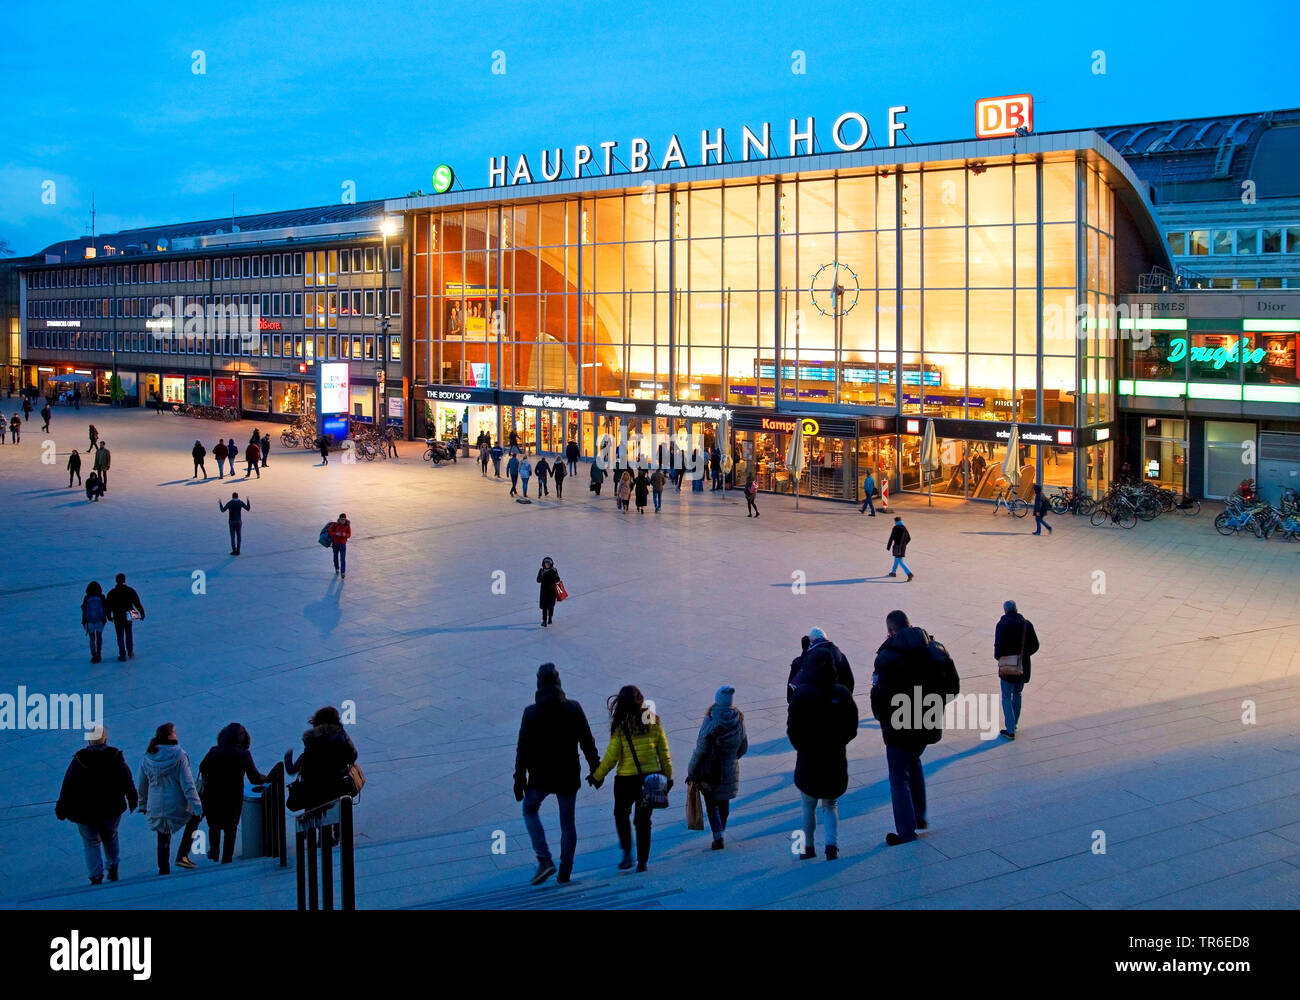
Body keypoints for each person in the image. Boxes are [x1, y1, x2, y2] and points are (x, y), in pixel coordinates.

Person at [513, 663, 601, 885]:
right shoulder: (573, 708)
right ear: (559, 683)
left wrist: (519, 779)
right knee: (567, 822)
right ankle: (565, 871)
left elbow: (522, 749)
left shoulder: (530, 713)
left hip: (540, 776)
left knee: (530, 809)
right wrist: (595, 769)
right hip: (567, 774)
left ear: (539, 684)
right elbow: (587, 741)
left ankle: (544, 860)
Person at [589, 686, 672, 873]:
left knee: (621, 815)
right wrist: (668, 776)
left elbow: (611, 756)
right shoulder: (653, 721)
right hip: (650, 779)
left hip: (625, 780)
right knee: (644, 822)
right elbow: (664, 752)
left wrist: (597, 776)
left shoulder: (620, 726)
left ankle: (627, 852)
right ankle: (643, 862)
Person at [870, 610, 936, 845]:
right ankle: (920, 817)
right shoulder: (932, 646)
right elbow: (950, 683)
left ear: (890, 631)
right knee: (914, 761)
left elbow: (878, 695)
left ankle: (906, 832)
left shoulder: (886, 657)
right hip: (925, 720)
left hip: (898, 725)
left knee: (898, 779)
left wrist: (881, 716)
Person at [787, 647, 858, 861]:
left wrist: (803, 747)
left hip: (809, 759)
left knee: (808, 805)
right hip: (834, 758)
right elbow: (851, 728)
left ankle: (807, 847)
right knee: (830, 803)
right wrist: (838, 742)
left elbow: (793, 731)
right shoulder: (842, 693)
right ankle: (831, 846)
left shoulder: (802, 694)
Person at [55, 725, 138, 884]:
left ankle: (95, 875)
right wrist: (132, 799)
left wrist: (61, 809)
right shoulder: (115, 756)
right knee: (111, 837)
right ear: (105, 739)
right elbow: (127, 780)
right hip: (111, 808)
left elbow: (68, 786)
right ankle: (113, 866)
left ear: (89, 741)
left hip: (84, 812)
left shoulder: (79, 760)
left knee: (91, 843)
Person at [197, 723, 272, 864]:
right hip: (233, 796)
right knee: (230, 828)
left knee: (214, 825)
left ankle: (214, 853)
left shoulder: (214, 751)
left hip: (212, 795)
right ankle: (227, 858)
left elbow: (202, 767)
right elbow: (254, 778)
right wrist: (267, 778)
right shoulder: (243, 754)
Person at [686, 686, 749, 851]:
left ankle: (718, 836)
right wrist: (731, 758)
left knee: (712, 804)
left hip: (709, 772)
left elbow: (700, 749)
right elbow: (743, 747)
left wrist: (691, 771)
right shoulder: (738, 719)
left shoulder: (711, 720)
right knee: (724, 803)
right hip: (729, 769)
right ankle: (722, 830)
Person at [137, 723, 203, 875]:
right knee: (194, 818)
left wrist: (142, 804)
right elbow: (188, 784)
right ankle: (183, 855)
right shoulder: (179, 755)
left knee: (162, 836)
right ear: (169, 736)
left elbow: (142, 784)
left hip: (155, 806)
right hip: (176, 804)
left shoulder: (147, 757)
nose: (177, 733)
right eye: (174, 731)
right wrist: (197, 805)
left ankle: (163, 870)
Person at [283, 706, 358, 812]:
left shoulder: (312, 742)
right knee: (337, 816)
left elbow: (295, 769)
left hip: (314, 792)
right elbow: (353, 755)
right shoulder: (342, 736)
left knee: (312, 816)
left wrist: (287, 757)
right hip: (337, 787)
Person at [994, 600, 1040, 740]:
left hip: (1008, 668)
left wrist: (1001, 658)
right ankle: (1014, 724)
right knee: (1018, 694)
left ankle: (1010, 729)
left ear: (1005, 611)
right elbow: (1035, 645)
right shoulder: (1027, 624)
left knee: (1006, 697)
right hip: (1022, 666)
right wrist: (1023, 655)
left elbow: (998, 646)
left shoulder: (1002, 625)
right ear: (1016, 609)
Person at [793, 626, 855, 692]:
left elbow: (798, 684)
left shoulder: (810, 658)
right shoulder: (841, 655)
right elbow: (850, 681)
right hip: (838, 697)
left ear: (812, 641)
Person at [105, 573, 145, 661]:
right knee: (129, 633)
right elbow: (137, 603)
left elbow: (108, 606)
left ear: (116, 581)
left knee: (120, 635)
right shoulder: (130, 590)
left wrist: (109, 616)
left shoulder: (112, 592)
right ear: (124, 580)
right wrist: (142, 613)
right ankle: (130, 652)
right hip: (130, 612)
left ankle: (122, 654)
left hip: (117, 614)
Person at [81, 580, 108, 663]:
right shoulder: (102, 597)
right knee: (99, 637)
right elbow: (106, 608)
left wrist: (83, 621)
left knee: (92, 638)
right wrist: (106, 618)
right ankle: (99, 653)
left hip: (90, 620)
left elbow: (84, 609)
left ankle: (94, 654)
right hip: (100, 620)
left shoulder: (87, 597)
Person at [886, 515, 913, 581]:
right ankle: (893, 572)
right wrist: (904, 544)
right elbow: (909, 538)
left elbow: (891, 538)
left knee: (899, 560)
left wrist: (888, 546)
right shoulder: (904, 528)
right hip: (902, 547)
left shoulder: (895, 528)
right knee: (897, 558)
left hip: (897, 546)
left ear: (896, 521)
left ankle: (909, 573)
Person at [537, 556, 561, 627]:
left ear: (551, 564)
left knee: (551, 606)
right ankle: (544, 621)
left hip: (552, 592)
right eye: (546, 563)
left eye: (548, 563)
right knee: (544, 607)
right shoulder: (541, 570)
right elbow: (538, 580)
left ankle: (550, 618)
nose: (547, 564)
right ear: (543, 564)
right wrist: (541, 576)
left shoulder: (554, 570)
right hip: (544, 592)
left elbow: (558, 579)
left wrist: (554, 575)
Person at [328, 513, 351, 578]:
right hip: (335, 544)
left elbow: (349, 534)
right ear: (339, 519)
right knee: (335, 558)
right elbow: (330, 532)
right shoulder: (335, 525)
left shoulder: (347, 525)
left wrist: (345, 535)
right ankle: (337, 569)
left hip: (343, 545)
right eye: (341, 519)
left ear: (345, 519)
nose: (343, 521)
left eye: (344, 519)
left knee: (342, 559)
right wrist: (336, 534)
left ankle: (343, 572)